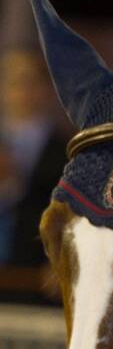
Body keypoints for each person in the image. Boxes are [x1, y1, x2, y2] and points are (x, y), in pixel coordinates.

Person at [0, 45, 68, 302]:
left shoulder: (67, 154)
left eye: (29, 81)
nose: (21, 92)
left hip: (34, 284)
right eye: (13, 82)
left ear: (47, 90)